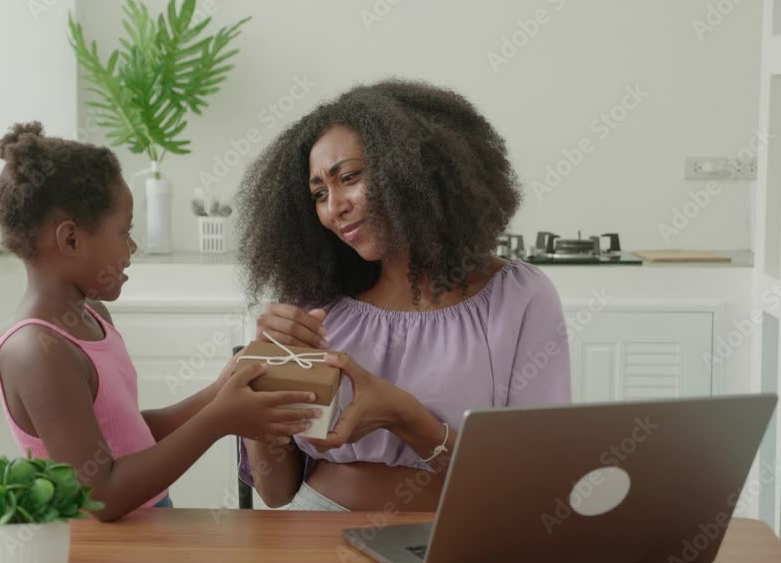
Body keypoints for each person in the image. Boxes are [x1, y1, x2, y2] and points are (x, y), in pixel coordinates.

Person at [234, 79, 572, 512]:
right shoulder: (314, 304)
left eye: (349, 178)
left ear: (413, 172)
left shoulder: (519, 298)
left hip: (452, 538)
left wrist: (409, 420)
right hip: (311, 531)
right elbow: (275, 491)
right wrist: (259, 382)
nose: (334, 206)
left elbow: (532, 487)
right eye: (319, 194)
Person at [0, 122, 321, 522]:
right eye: (124, 232)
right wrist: (218, 421)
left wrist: (218, 392)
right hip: (99, 550)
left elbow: (128, 435)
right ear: (71, 240)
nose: (131, 248)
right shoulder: (37, 352)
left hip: (146, 528)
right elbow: (104, 497)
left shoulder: (93, 316)